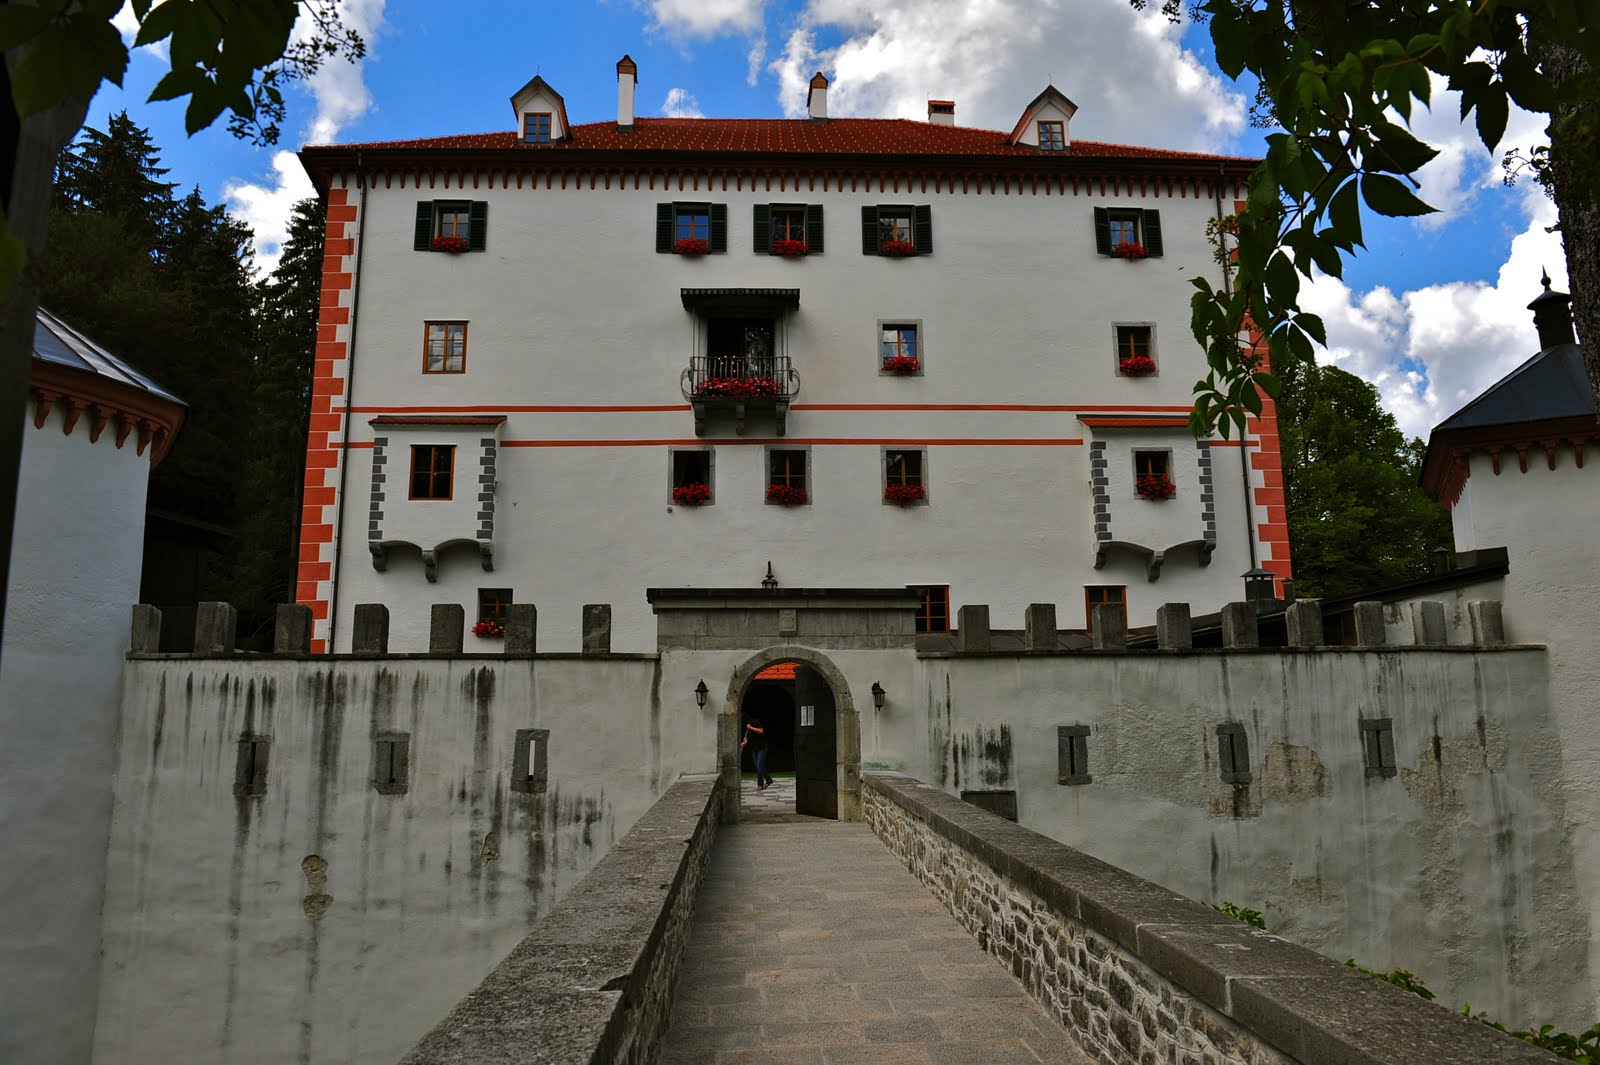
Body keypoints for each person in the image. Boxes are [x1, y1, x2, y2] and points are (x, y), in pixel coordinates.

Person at [742, 712, 771, 790]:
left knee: (759, 765)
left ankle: (760, 784)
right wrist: (744, 743)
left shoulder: (755, 722)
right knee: (759, 766)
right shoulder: (746, 729)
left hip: (762, 747)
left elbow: (761, 731)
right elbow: (746, 740)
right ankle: (769, 780)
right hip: (754, 749)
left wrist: (751, 727)